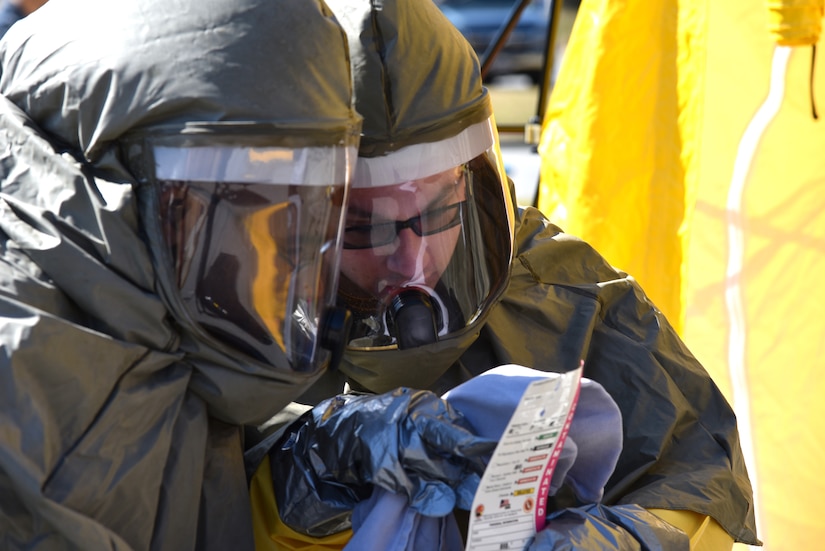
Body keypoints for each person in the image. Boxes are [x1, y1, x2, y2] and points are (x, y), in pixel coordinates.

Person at [246, 0, 761, 549]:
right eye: (365, 230)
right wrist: (318, 465)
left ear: (471, 183)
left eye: (440, 212)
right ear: (302, 218)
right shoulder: (243, 308)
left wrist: (627, 539)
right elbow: (188, 498)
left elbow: (699, 478)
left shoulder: (557, 291)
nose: (410, 261)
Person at [0, 0, 362, 549]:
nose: (288, 249)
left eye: (306, 206)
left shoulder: (144, 315)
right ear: (112, 181)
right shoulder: (23, 360)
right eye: (238, 200)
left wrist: (317, 457)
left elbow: (186, 450)